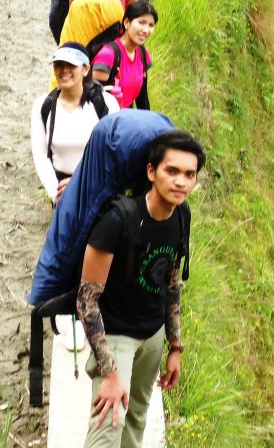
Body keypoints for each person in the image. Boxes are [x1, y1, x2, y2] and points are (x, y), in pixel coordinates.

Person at [77, 129, 206, 446]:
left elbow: (172, 282)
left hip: (153, 334)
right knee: (107, 430)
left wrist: (174, 346)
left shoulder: (181, 216)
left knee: (136, 420)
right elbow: (86, 301)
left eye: (189, 174)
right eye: (171, 171)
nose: (180, 182)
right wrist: (109, 373)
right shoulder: (118, 221)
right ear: (151, 171)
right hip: (116, 335)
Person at [31, 43, 120, 206]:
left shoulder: (106, 103)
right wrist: (54, 193)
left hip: (97, 187)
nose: (64, 70)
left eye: (71, 65)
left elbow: (113, 155)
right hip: (60, 190)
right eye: (59, 65)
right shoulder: (43, 105)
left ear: (86, 69)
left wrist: (79, 185)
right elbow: (41, 155)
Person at [92, 0, 157, 110]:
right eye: (141, 22)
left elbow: (142, 97)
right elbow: (93, 98)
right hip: (106, 119)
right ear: (126, 23)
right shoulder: (108, 55)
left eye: (151, 25)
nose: (146, 30)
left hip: (125, 118)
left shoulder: (142, 54)